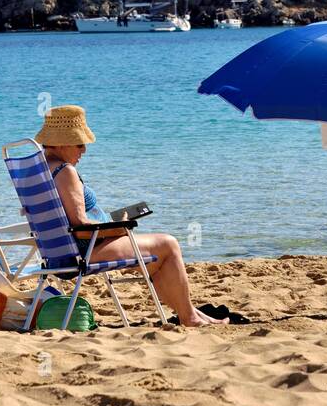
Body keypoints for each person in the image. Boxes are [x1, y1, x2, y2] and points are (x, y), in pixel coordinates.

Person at [34, 105, 226, 326]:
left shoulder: (39, 170)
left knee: (157, 260)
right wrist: (120, 227)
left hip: (57, 254)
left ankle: (190, 313)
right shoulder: (64, 171)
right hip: (85, 251)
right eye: (80, 143)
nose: (84, 150)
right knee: (168, 244)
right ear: (60, 143)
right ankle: (190, 316)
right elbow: (81, 226)